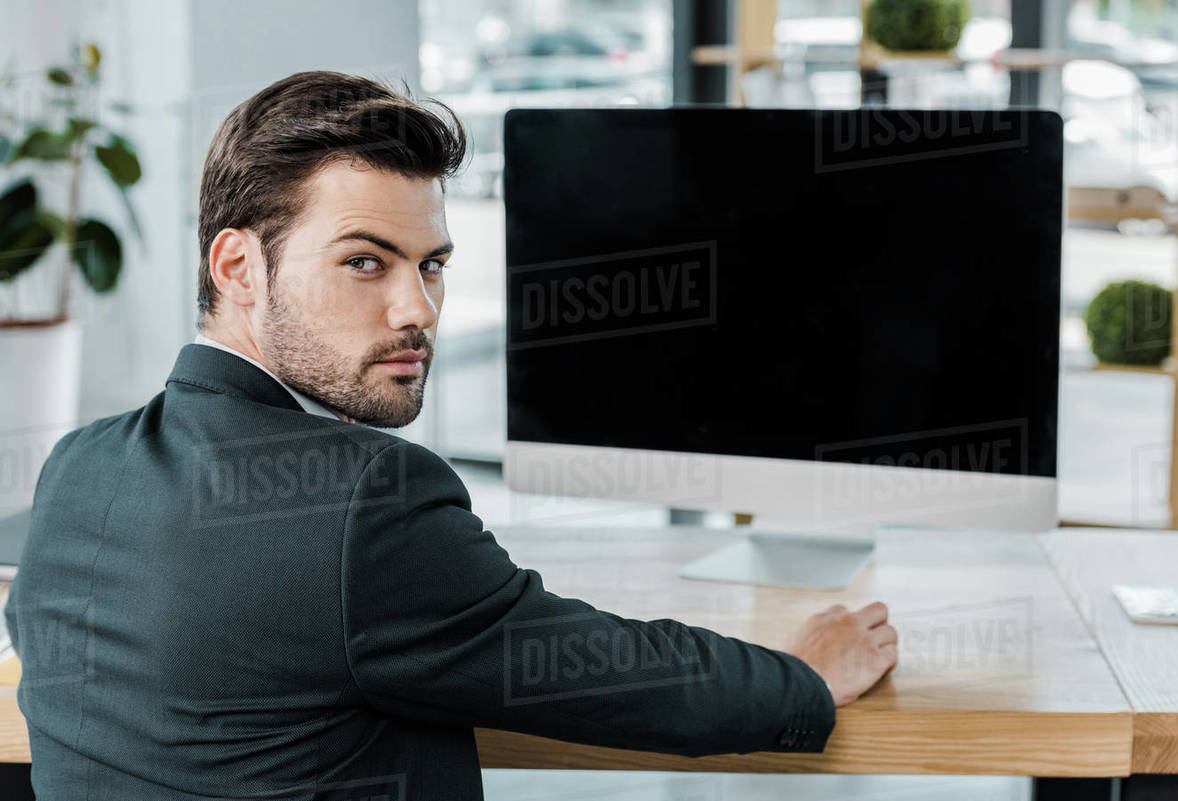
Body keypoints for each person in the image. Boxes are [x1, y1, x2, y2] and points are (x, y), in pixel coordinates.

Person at [4, 71, 898, 801]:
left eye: (431, 264)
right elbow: (626, 677)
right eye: (365, 262)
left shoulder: (77, 466)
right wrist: (804, 678)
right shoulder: (364, 498)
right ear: (238, 267)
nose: (416, 309)